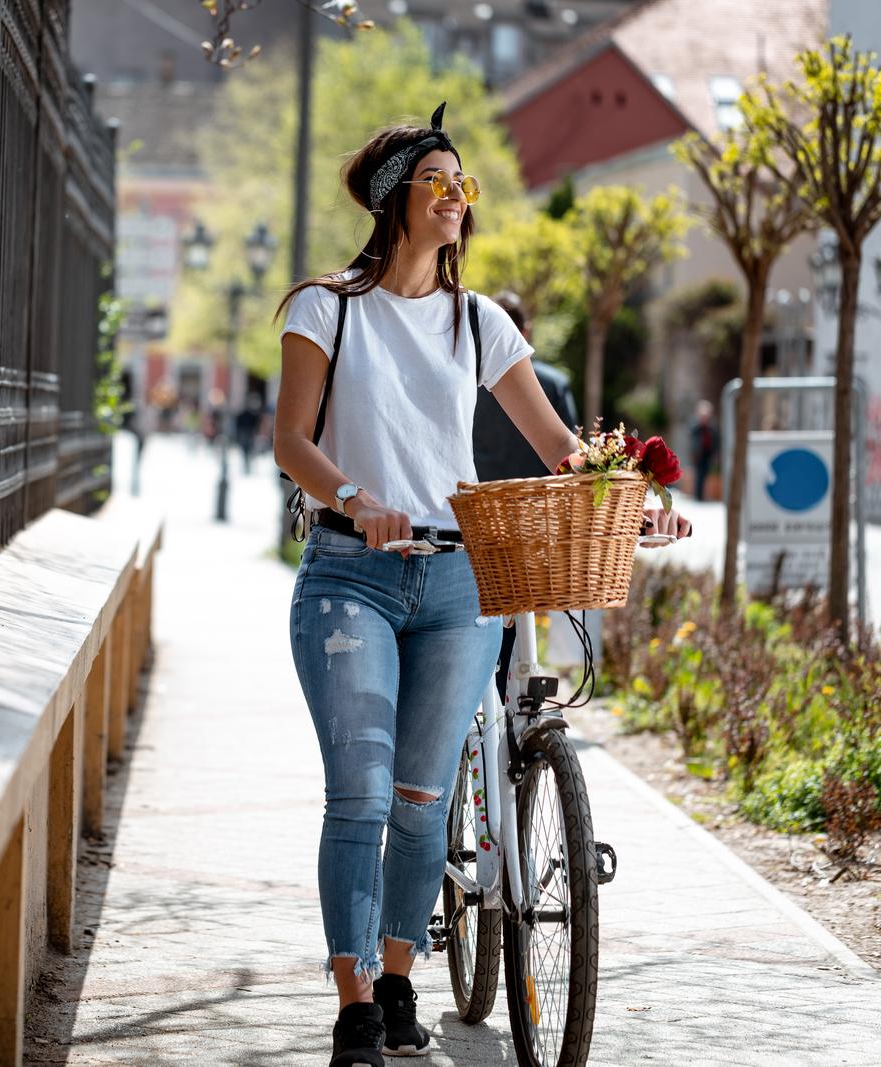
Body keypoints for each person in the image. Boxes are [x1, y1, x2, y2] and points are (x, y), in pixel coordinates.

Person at [271, 104, 689, 1067]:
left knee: (421, 802)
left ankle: (399, 978)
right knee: (361, 796)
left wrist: (638, 503)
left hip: (456, 584)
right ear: (395, 201)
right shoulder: (325, 308)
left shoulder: (480, 320)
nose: (460, 198)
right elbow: (293, 439)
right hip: (353, 578)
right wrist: (354, 494)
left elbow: (559, 448)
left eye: (466, 185)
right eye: (441, 183)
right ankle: (354, 1011)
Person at [472, 291, 579, 702]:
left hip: (478, 516)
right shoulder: (553, 383)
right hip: (537, 519)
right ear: (527, 332)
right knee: (526, 614)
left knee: (490, 618)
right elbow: (568, 452)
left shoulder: (467, 379)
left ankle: (495, 706)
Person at [689, 399, 717, 499]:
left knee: (706, 474)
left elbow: (716, 440)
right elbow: (692, 441)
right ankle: (698, 495)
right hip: (698, 454)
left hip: (708, 453)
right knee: (698, 474)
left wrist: (716, 453)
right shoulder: (695, 427)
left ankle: (703, 495)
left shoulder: (712, 427)